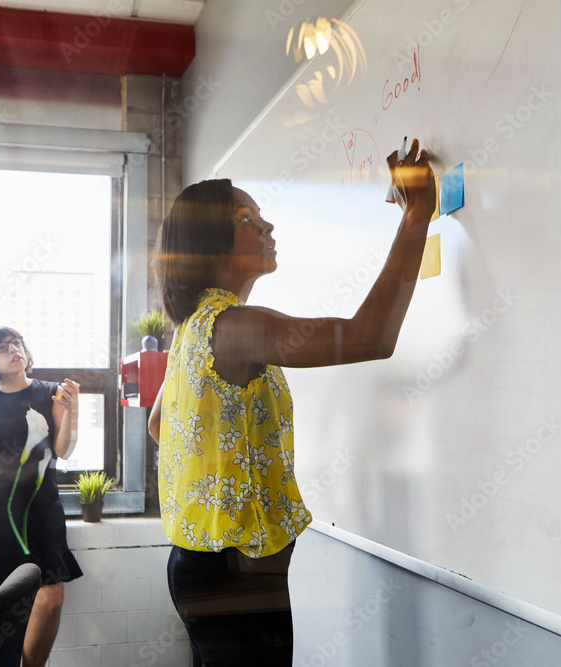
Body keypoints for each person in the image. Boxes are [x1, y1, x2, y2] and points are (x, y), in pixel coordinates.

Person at [147, 140, 436, 666]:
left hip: (202, 566)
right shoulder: (236, 327)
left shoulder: (193, 328)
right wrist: (417, 214)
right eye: (247, 217)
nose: (267, 226)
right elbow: (371, 336)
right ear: (210, 241)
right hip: (235, 579)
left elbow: (159, 424)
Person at [0, 326, 83, 667]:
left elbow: (63, 451)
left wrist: (74, 411)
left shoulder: (51, 394)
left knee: (50, 594)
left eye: (17, 343)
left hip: (41, 510)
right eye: (3, 348)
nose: (13, 350)